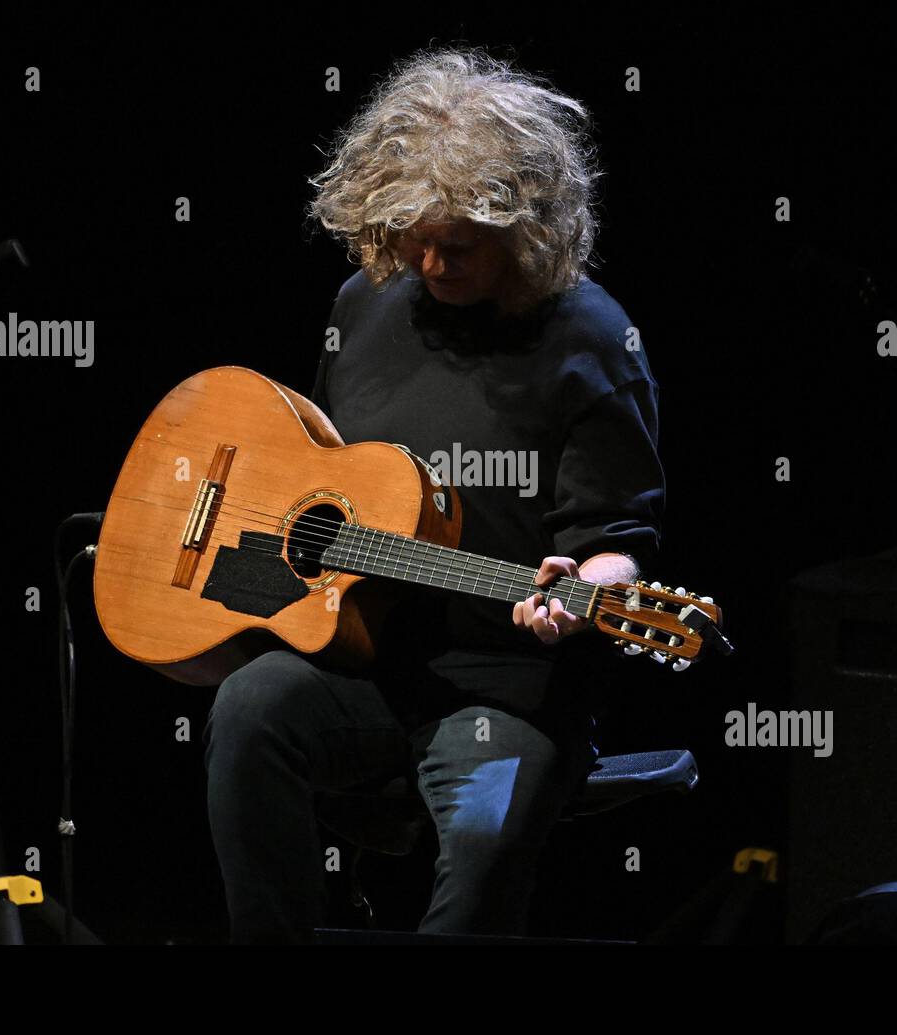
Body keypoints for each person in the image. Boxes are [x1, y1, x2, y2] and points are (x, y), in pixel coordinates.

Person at [203, 47, 666, 943]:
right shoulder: (365, 304)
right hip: (369, 664)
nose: (429, 260)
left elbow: (618, 540)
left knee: (487, 842)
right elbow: (316, 476)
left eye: (456, 245)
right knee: (248, 707)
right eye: (412, 236)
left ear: (523, 231)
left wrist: (587, 589)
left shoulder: (593, 341)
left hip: (509, 685)